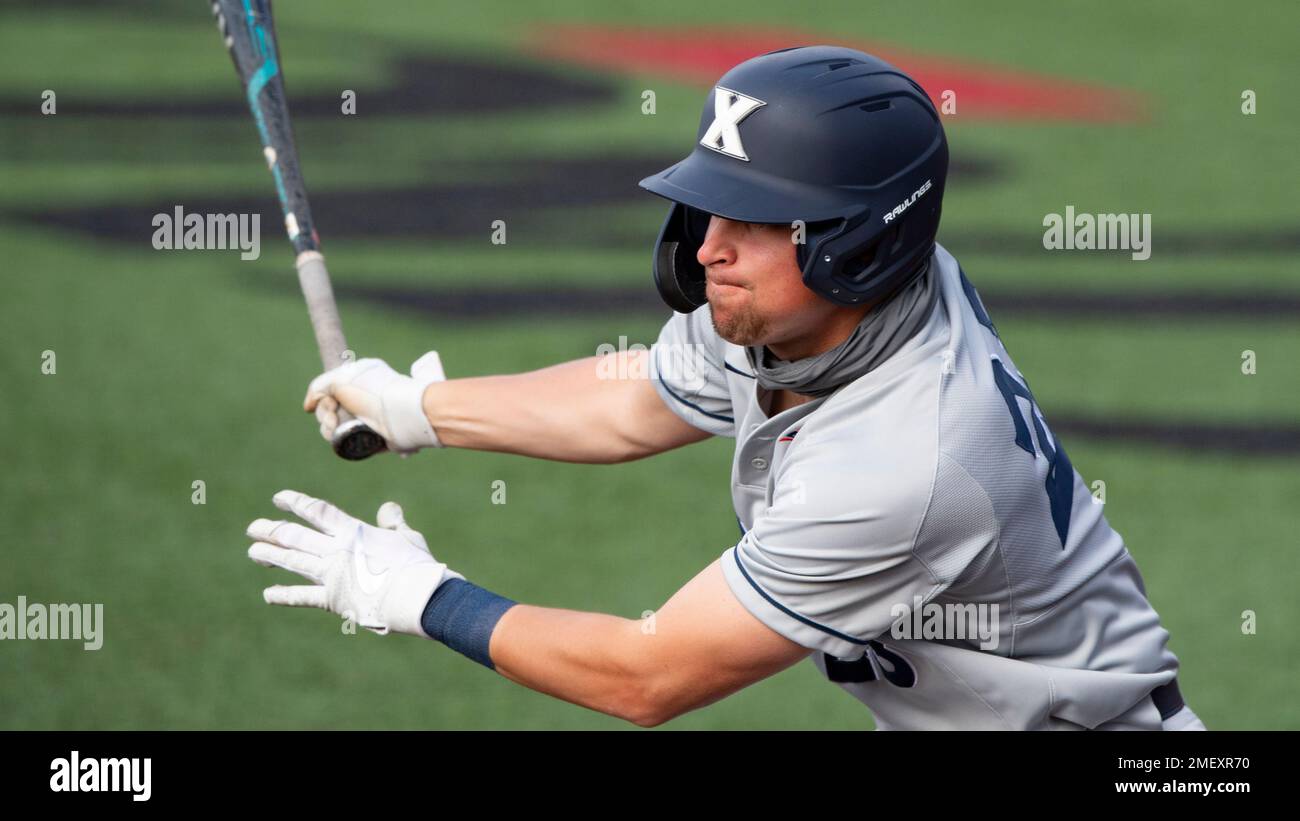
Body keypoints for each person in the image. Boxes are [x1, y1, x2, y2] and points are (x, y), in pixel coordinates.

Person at [245, 45, 1204, 730]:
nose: (708, 248)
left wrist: (420, 594)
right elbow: (631, 402)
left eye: (755, 218)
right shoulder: (821, 307)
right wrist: (417, 410)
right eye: (709, 205)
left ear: (858, 242)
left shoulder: (905, 465)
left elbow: (648, 675)